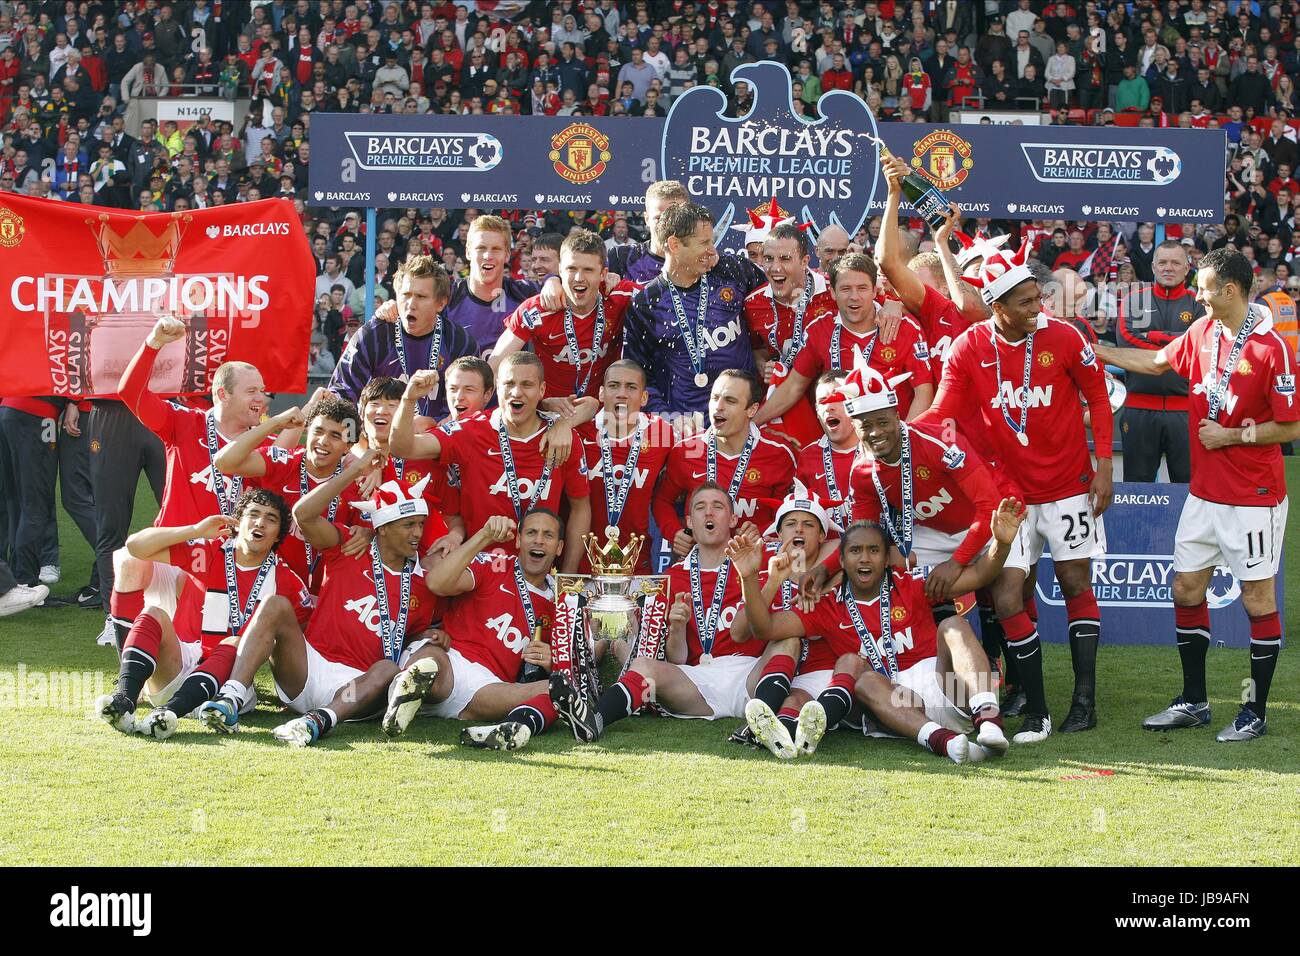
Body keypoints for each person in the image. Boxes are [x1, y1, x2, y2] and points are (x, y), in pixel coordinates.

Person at [1097, 248, 1298, 742]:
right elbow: (1155, 361)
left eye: (1205, 288)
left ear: (1229, 291)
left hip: (1254, 497)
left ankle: (1255, 710)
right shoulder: (1202, 332)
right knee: (1185, 589)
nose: (1197, 295)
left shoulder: (1272, 348)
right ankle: (1194, 701)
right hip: (1203, 495)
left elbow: (1290, 424)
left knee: (1256, 598)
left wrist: (1230, 437)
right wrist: (1093, 349)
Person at [919, 239, 1114, 742]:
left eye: (1038, 298)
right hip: (1011, 495)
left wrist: (1105, 464)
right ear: (997, 307)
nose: (1038, 309)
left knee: (1074, 584)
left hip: (1070, 485)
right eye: (1025, 302)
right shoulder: (969, 347)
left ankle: (1085, 701)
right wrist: (899, 430)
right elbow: (942, 412)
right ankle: (1038, 709)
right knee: (1008, 594)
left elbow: (1098, 393)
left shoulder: (1065, 337)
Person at [732, 500, 1027, 764]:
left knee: (954, 625)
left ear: (886, 559)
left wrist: (1000, 544)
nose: (864, 559)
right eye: (855, 551)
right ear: (842, 562)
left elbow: (980, 575)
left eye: (873, 550)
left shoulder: (913, 583)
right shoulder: (827, 607)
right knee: (865, 681)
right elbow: (765, 628)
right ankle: (945, 743)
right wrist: (749, 578)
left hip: (945, 688)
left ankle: (988, 720)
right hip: (896, 705)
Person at [197, 451, 438, 744]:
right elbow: (303, 514)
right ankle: (230, 698)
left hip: (356, 690)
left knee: (388, 668)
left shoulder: (422, 584)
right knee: (275, 605)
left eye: (421, 524)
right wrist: (354, 470)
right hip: (306, 669)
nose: (418, 534)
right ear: (384, 528)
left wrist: (432, 636)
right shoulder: (349, 546)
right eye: (409, 525)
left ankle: (318, 721)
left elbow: (409, 638)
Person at [550, 482, 787, 736]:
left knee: (788, 640)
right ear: (689, 520)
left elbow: (760, 628)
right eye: (700, 507)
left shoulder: (758, 564)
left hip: (751, 675)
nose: (709, 513)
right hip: (698, 682)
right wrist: (677, 628)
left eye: (717, 507)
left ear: (732, 519)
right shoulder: (672, 578)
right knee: (645, 665)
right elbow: (677, 659)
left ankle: (766, 721)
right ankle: (594, 721)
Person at [106, 317, 277, 652]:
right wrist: (153, 342)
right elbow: (129, 393)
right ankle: (127, 671)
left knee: (200, 645)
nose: (262, 398)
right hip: (174, 544)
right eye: (252, 391)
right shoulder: (185, 423)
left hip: (223, 556)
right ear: (222, 394)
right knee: (127, 560)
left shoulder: (263, 443)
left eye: (262, 390)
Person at [96, 489, 313, 739]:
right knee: (153, 612)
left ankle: (169, 713)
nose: (260, 522)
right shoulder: (208, 551)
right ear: (237, 522)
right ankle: (124, 699)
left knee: (234, 642)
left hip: (225, 689)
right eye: (253, 514)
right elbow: (135, 546)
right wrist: (196, 530)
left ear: (278, 536)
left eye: (271, 519)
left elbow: (298, 642)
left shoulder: (288, 583)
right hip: (178, 667)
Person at [389, 355, 591, 571]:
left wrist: (568, 577)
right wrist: (409, 400)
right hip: (479, 572)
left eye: (527, 385)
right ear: (496, 388)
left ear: (542, 391)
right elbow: (403, 448)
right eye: (509, 384)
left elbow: (580, 508)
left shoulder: (562, 437)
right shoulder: (470, 431)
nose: (516, 392)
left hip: (537, 573)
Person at [389, 510, 564, 751]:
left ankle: (506, 729)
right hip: (450, 658)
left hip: (485, 688)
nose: (538, 540)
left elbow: (581, 658)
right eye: (531, 533)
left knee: (559, 688)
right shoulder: (494, 563)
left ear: (559, 547)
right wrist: (484, 536)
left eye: (548, 535)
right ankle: (406, 688)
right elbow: (436, 582)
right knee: (432, 662)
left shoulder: (562, 600)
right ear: (518, 541)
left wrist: (553, 660)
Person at [756, 253, 934, 430]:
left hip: (890, 441)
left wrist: (904, 441)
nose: (854, 297)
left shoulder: (905, 328)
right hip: (839, 443)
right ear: (833, 292)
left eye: (862, 288)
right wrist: (752, 423)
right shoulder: (820, 329)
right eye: (845, 289)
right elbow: (793, 387)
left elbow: (924, 393)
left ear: (874, 291)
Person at [624, 202, 766, 415]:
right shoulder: (646, 303)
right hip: (689, 427)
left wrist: (763, 355)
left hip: (747, 419)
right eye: (704, 243)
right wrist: (669, 419)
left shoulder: (733, 270)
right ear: (674, 244)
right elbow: (640, 375)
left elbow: (776, 309)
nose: (712, 250)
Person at [213, 393, 363, 591]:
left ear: (348, 446)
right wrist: (275, 423)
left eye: (335, 436)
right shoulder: (283, 461)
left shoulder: (357, 485)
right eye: (318, 431)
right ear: (307, 431)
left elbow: (369, 537)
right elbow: (224, 462)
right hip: (269, 587)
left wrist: (367, 533)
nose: (323, 441)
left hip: (326, 593)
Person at [652, 370, 797, 559]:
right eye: (715, 398)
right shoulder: (686, 450)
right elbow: (662, 500)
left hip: (755, 564)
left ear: (751, 410)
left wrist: (761, 531)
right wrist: (674, 533)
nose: (718, 407)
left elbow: (788, 515)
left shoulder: (779, 454)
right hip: (700, 564)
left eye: (730, 401)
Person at [490, 230, 636, 401]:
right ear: (560, 270)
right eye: (571, 269)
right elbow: (494, 365)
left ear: (603, 274)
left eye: (588, 270)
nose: (579, 278)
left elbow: (664, 297)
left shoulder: (619, 295)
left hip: (604, 416)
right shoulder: (537, 309)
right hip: (550, 414)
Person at [329, 255, 479, 423]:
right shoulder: (374, 335)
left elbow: (472, 406)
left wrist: (437, 426)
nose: (411, 304)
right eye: (406, 295)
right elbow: (342, 395)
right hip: (381, 441)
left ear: (441, 303)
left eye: (421, 297)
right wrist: (355, 442)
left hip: (437, 440)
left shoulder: (459, 342)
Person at [574, 360, 674, 575]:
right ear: (601, 393)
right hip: (582, 562)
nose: (622, 393)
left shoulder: (662, 432)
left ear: (644, 397)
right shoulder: (578, 431)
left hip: (637, 562)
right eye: (613, 386)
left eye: (631, 387)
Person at [1116, 239, 1203, 482]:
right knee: (1136, 488)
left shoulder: (1198, 304)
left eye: (1176, 262)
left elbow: (1199, 344)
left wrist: (1153, 336)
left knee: (1189, 490)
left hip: (1185, 412)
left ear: (1187, 268)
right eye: (1162, 262)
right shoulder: (1135, 299)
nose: (1168, 268)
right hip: (1138, 410)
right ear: (1153, 267)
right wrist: (1178, 344)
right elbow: (1126, 342)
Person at [743, 220, 837, 445]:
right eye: (768, 258)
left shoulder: (833, 291)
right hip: (784, 406)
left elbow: (879, 298)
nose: (775, 267)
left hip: (832, 401)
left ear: (805, 261)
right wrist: (764, 366)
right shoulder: (753, 303)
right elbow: (757, 349)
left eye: (785, 259)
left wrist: (893, 304)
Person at [445, 215, 540, 357]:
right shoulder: (447, 295)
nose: (488, 255)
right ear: (468, 252)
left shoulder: (525, 293)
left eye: (496, 249)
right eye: (481, 248)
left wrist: (553, 281)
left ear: (507, 254)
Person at [605, 180, 689, 284]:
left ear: (687, 220)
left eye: (675, 218)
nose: (667, 226)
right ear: (647, 218)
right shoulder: (620, 258)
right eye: (659, 219)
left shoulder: (703, 265)